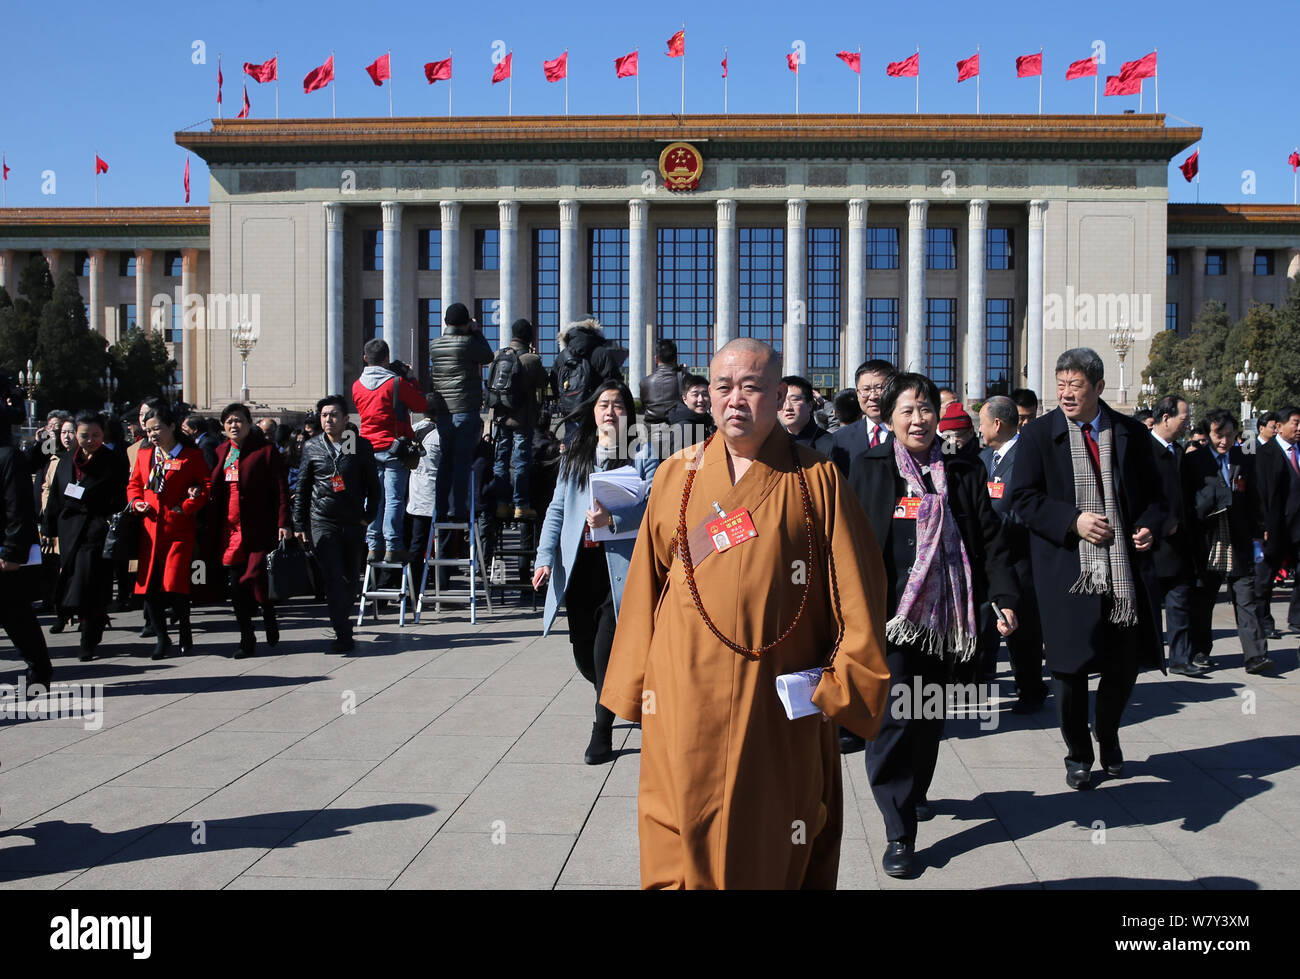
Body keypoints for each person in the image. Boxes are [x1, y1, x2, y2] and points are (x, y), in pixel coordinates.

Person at [601, 338, 892, 889]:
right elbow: (645, 587)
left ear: (780, 395)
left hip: (776, 690)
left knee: (774, 824)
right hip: (683, 688)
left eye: (752, 387)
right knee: (679, 818)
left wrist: (843, 683)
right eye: (723, 387)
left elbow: (861, 589)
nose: (736, 400)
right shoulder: (675, 475)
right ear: (707, 397)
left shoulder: (816, 479)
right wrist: (635, 683)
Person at [849, 373, 1019, 878]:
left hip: (948, 619)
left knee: (928, 717)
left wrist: (1004, 597)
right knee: (894, 719)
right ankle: (899, 832)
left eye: (925, 409)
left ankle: (916, 789)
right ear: (891, 418)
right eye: (907, 410)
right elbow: (851, 545)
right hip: (892, 619)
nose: (918, 419)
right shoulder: (871, 469)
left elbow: (989, 539)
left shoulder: (962, 473)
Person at [1009, 348, 1166, 791]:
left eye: (1075, 385)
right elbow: (1023, 499)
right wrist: (1072, 521)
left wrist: (1149, 527)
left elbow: (1157, 497)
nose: (1066, 393)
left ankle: (1109, 734)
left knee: (1123, 665)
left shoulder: (1131, 433)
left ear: (1098, 387)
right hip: (1067, 572)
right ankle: (1078, 751)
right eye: (1060, 385)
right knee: (1069, 669)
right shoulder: (1040, 435)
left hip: (1123, 574)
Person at [533, 381, 659, 766]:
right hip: (580, 567)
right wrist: (544, 557)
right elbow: (557, 508)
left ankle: (601, 730)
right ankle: (614, 691)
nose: (610, 410)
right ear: (593, 411)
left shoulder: (643, 452)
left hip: (620, 567)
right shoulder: (576, 453)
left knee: (607, 647)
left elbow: (657, 503)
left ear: (628, 414)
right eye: (603, 404)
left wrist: (615, 519)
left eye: (618, 405)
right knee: (585, 656)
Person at [1185, 410, 1273, 675]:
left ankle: (1255, 655)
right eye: (1218, 435)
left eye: (1229, 435)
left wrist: (1260, 530)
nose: (1224, 441)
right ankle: (1199, 650)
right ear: (1207, 434)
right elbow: (1189, 501)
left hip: (1240, 537)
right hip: (1209, 538)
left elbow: (1256, 495)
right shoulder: (1194, 461)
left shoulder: (1244, 457)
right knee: (1204, 598)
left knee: (1246, 595)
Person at [977, 395, 1047, 712]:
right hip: (992, 555)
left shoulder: (1027, 456)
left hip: (1021, 556)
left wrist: (997, 525)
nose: (979, 429)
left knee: (1024, 627)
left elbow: (1031, 505)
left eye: (982, 422)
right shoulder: (984, 458)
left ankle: (1031, 689)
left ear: (997, 423)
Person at [295, 395, 380, 653]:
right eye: (324, 415)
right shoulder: (312, 447)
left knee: (350, 579)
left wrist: (369, 515)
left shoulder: (359, 446)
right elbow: (302, 487)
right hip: (323, 521)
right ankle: (343, 633)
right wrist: (299, 524)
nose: (328, 419)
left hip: (353, 522)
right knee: (332, 577)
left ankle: (343, 620)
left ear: (345, 419)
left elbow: (374, 487)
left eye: (333, 415)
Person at [208, 403, 293, 659]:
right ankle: (247, 637)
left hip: (258, 530)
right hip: (230, 531)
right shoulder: (221, 451)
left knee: (254, 579)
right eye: (229, 421)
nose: (234, 425)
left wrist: (283, 523)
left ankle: (268, 613)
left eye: (239, 420)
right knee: (236, 586)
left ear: (248, 423)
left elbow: (280, 490)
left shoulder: (266, 452)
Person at [42, 411, 129, 662]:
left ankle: (88, 638)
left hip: (95, 530)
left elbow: (119, 499)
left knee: (88, 582)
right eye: (84, 435)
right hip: (69, 529)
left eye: (95, 435)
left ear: (103, 435)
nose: (89, 440)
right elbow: (56, 496)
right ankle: (86, 618)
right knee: (72, 579)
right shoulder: (66, 460)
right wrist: (48, 529)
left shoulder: (113, 461)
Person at [128, 404, 210, 660]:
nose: (153, 434)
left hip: (177, 530)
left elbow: (205, 487)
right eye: (149, 430)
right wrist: (136, 502)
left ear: (172, 427)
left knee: (175, 584)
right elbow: (134, 485)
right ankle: (162, 637)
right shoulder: (145, 455)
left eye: (158, 429)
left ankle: (185, 629)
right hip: (149, 531)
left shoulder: (190, 456)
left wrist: (185, 506)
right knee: (149, 587)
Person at [354, 337, 431, 563]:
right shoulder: (395, 382)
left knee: (373, 498)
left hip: (368, 446)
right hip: (394, 447)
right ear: (386, 358)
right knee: (394, 498)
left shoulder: (357, 385)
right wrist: (410, 379)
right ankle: (392, 544)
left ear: (365, 359)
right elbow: (420, 405)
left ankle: (373, 545)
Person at [1147, 395, 1202, 676]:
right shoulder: (1142, 450)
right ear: (1165, 418)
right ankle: (1151, 656)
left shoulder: (1179, 452)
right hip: (1152, 543)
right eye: (1183, 417)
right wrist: (1159, 524)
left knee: (1180, 603)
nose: (1187, 423)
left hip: (1180, 544)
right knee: (1151, 607)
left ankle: (1181, 657)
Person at [428, 304, 493, 535]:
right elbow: (487, 355)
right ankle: (458, 510)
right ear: (465, 323)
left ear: (445, 322)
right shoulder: (468, 343)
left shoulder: (434, 345)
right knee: (462, 463)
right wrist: (476, 331)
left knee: (446, 461)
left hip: (444, 413)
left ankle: (442, 507)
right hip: (465, 409)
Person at [1, 443, 52, 687]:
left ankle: (39, 667)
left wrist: (13, 550)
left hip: (5, 551)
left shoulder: (8, 456)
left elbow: (18, 506)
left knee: (14, 613)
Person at [489, 318, 549, 522]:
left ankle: (501, 504)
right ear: (529, 337)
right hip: (522, 420)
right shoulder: (531, 359)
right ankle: (521, 505)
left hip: (500, 417)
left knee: (501, 461)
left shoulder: (498, 355)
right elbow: (543, 382)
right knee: (522, 460)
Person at [1253, 405, 1300, 641]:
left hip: (1298, 526)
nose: (1299, 428)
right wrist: (1263, 527)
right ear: (1279, 426)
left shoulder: (1299, 451)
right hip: (1275, 526)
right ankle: (1264, 620)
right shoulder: (1265, 453)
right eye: (1295, 422)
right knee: (1265, 578)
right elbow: (1261, 494)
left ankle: (1297, 618)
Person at [830, 359, 896, 477]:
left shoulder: (907, 434)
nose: (873, 396)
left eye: (880, 388)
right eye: (866, 389)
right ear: (858, 394)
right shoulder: (840, 439)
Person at [405, 413, 442, 586]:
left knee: (416, 542)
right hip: (435, 492)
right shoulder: (440, 433)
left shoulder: (413, 430)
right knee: (439, 543)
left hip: (414, 492)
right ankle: (440, 583)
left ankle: (413, 583)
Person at [780, 375, 835, 457]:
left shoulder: (831, 445)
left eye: (795, 400)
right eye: (782, 400)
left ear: (810, 405)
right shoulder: (772, 444)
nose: (788, 407)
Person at [639, 339, 686, 425]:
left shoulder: (644, 382)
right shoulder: (685, 378)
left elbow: (643, 406)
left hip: (652, 430)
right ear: (676, 358)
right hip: (679, 427)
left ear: (656, 359)